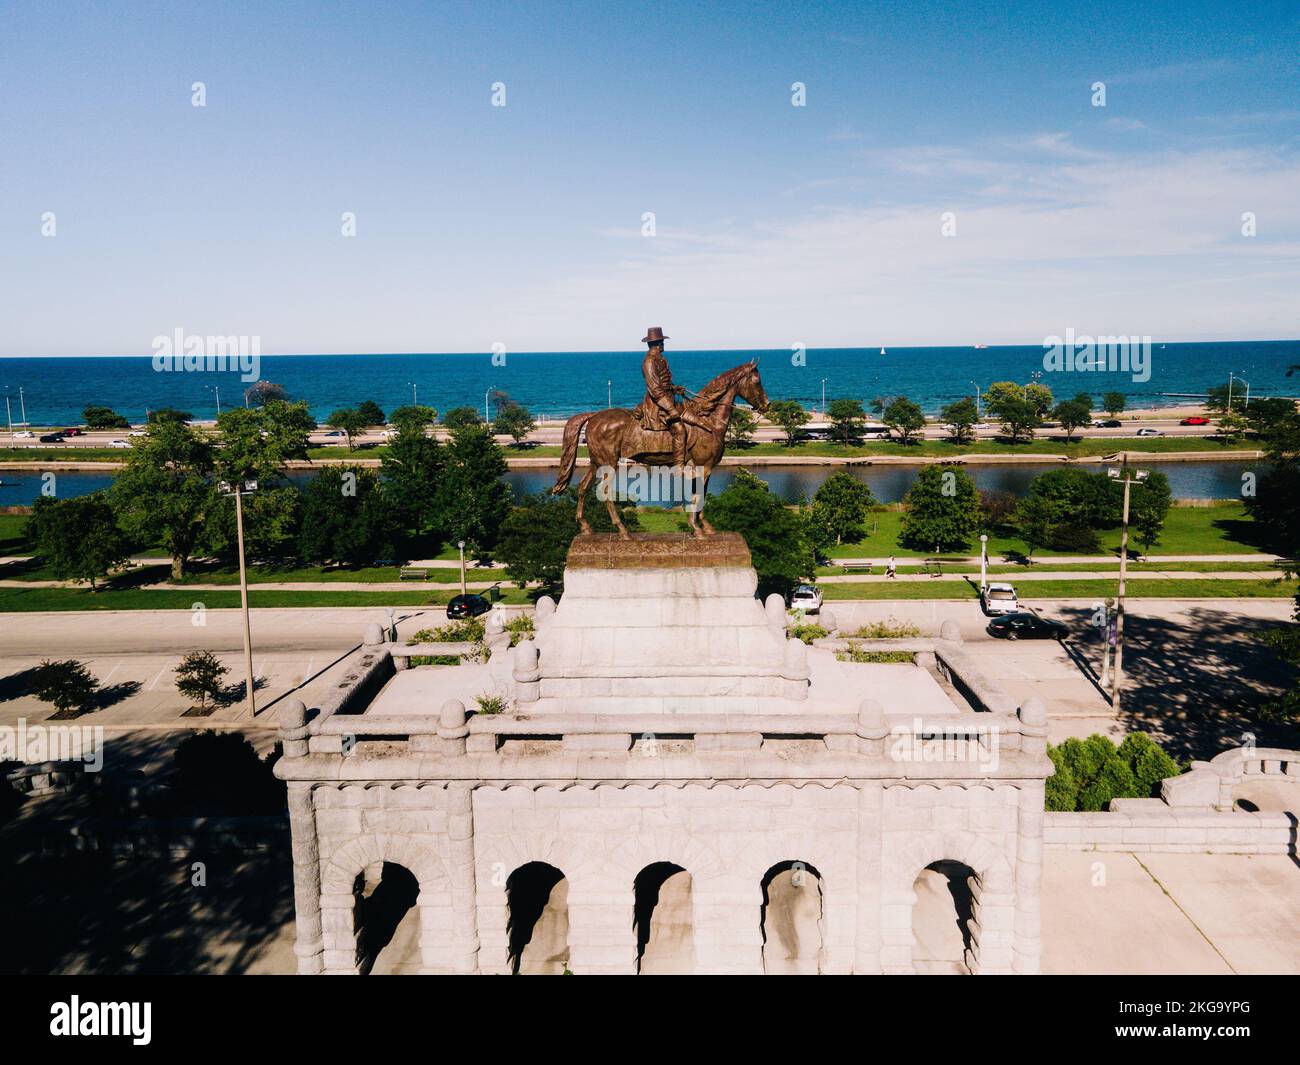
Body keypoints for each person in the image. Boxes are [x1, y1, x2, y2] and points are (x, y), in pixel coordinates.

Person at [633, 327, 703, 467]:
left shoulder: (659, 359)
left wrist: (674, 389)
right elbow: (655, 389)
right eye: (662, 342)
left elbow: (663, 384)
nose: (663, 345)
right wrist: (671, 409)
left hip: (666, 398)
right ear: (658, 344)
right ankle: (679, 465)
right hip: (657, 404)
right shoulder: (649, 362)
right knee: (679, 429)